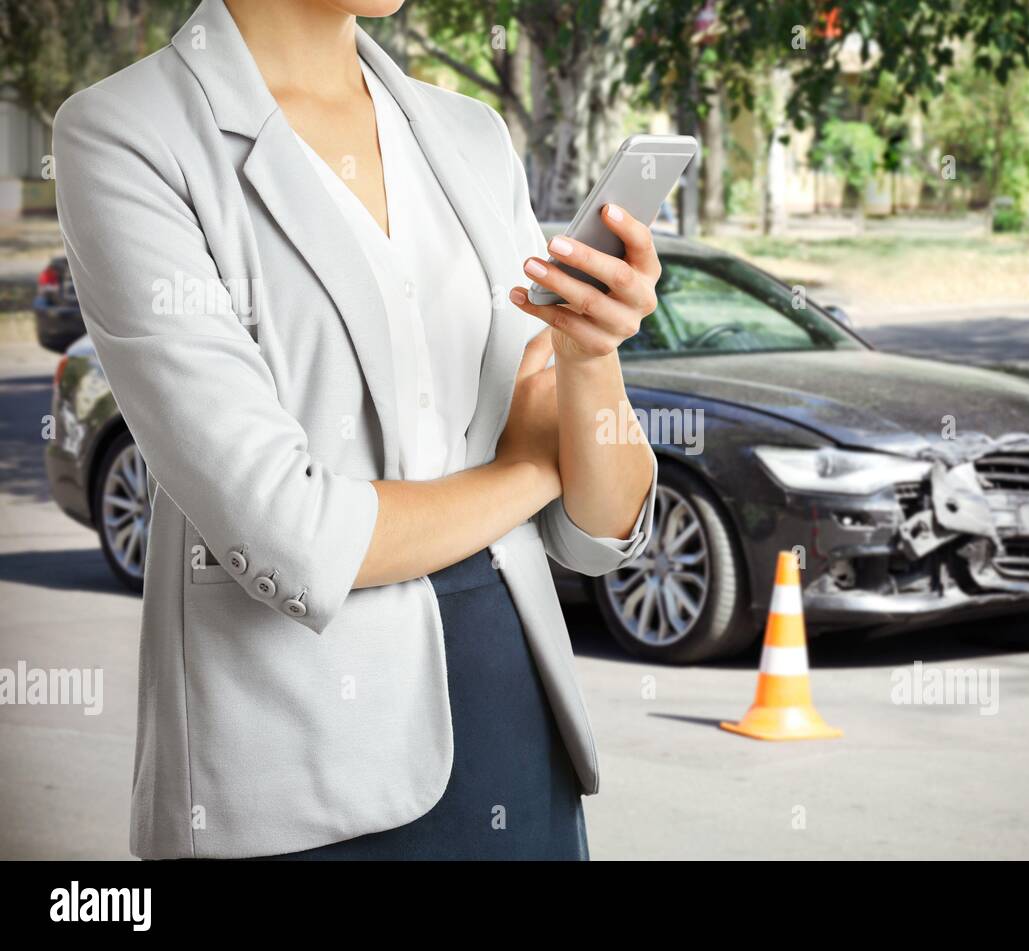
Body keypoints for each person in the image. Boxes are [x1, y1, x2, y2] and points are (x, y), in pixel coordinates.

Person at [51, 0, 659, 860]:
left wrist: (592, 355)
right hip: (299, 778)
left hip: (521, 742)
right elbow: (289, 534)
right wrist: (528, 470)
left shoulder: (469, 136)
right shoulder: (126, 137)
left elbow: (600, 531)